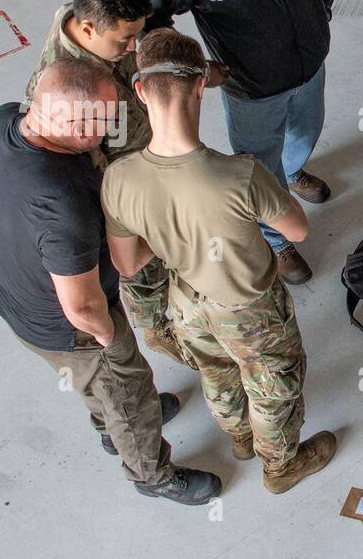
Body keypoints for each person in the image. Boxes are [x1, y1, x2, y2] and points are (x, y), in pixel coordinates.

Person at [0, 58, 221, 505]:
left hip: (18, 298)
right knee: (126, 385)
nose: (111, 129)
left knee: (98, 387)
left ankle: (112, 426)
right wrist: (113, 343)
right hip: (72, 326)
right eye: (104, 121)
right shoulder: (61, 204)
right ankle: (151, 473)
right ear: (70, 120)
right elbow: (85, 307)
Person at [102, 29, 337, 495]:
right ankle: (281, 466)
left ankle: (241, 440)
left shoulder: (119, 179)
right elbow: (296, 230)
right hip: (249, 308)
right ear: (199, 86)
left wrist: (176, 232)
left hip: (186, 303)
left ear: (141, 89)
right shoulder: (241, 174)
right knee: (272, 387)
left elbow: (127, 262)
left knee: (217, 372)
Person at [138, 0, 334, 286]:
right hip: (252, 84)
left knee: (304, 131)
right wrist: (195, 70)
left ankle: (291, 170)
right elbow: (147, 17)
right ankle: (276, 240)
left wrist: (318, 15)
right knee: (258, 164)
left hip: (309, 61)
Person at [25, 0, 189, 367]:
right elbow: (80, 165)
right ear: (86, 28)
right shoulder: (67, 85)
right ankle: (156, 326)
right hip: (120, 181)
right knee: (142, 269)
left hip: (142, 150)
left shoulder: (87, 21)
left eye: (137, 34)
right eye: (125, 40)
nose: (135, 48)